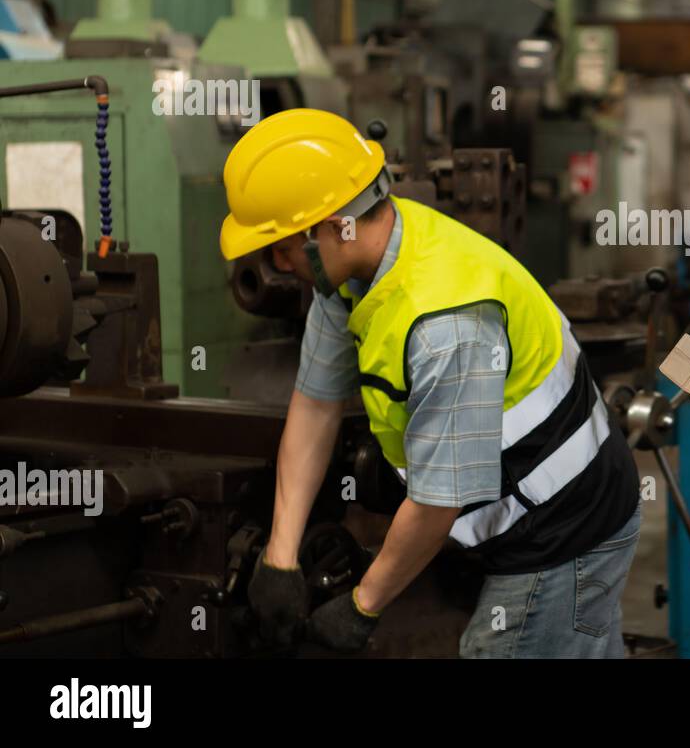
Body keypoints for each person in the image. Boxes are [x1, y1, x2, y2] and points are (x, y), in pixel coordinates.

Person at [218, 108, 641, 658]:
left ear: (334, 226)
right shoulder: (351, 266)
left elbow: (437, 504)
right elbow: (317, 404)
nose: (276, 264)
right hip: (517, 518)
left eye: (282, 246)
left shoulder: (447, 326)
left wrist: (361, 607)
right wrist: (281, 558)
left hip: (565, 531)